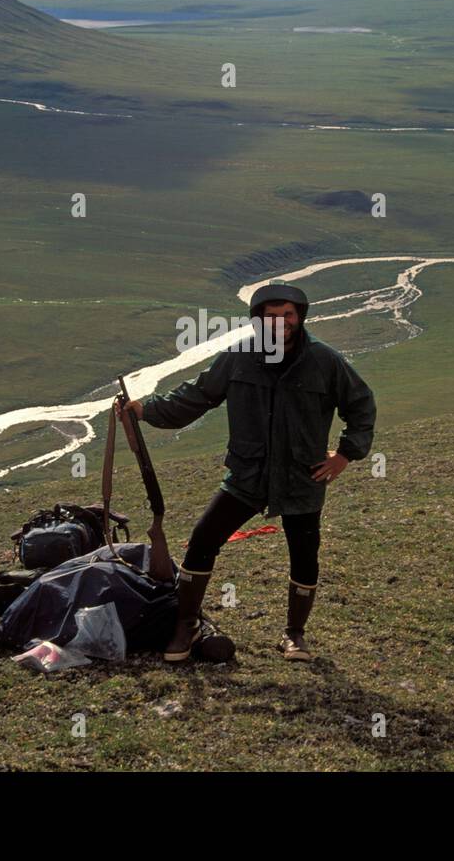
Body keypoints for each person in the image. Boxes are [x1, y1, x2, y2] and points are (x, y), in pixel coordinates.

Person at [117, 283, 376, 662]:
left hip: (302, 476)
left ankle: (295, 636)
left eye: (288, 314)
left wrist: (345, 455)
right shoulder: (237, 358)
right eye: (271, 316)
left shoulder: (325, 361)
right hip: (247, 474)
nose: (281, 322)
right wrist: (146, 410)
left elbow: (361, 406)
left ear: (299, 316)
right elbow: (197, 395)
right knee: (203, 539)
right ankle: (185, 625)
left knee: (305, 554)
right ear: (258, 320)